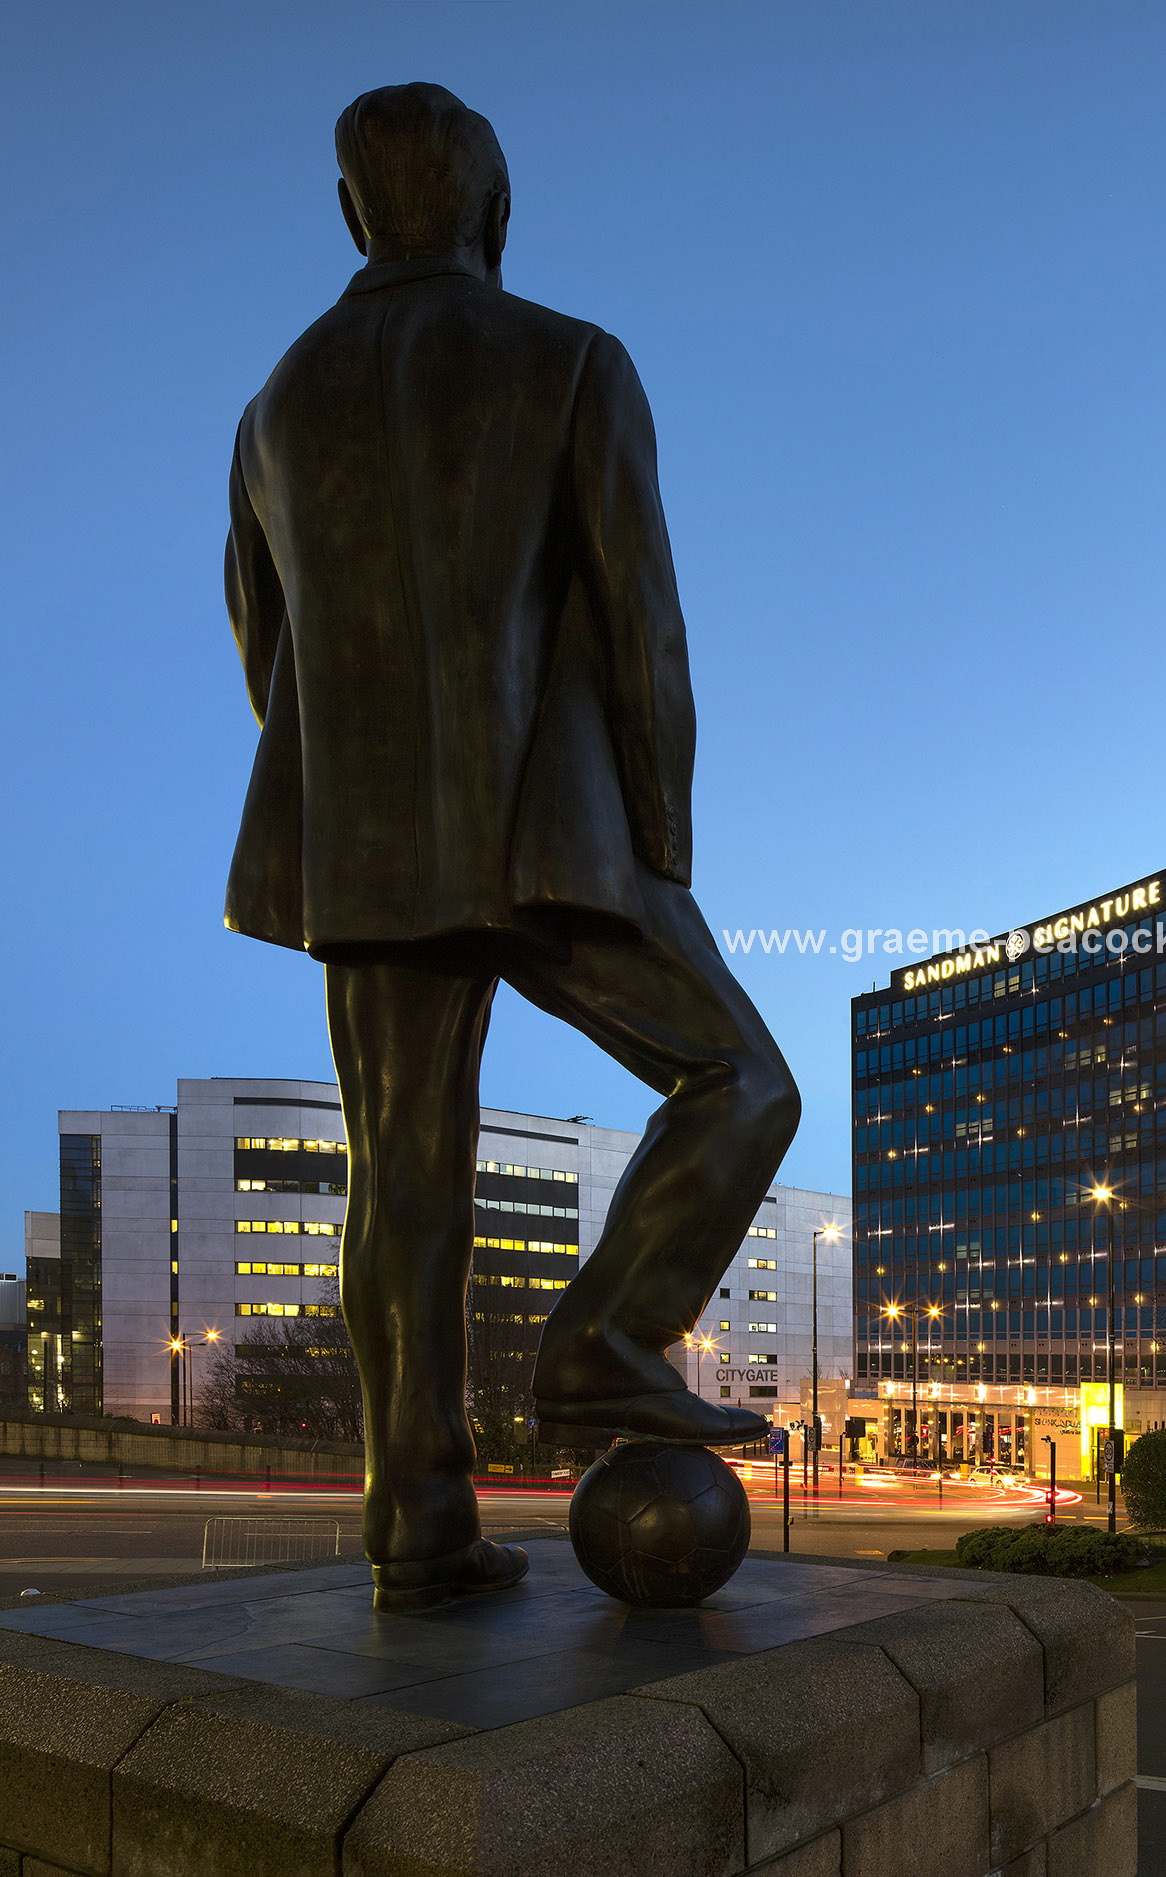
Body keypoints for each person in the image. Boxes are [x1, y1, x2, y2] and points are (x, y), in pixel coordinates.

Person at [223, 83, 799, 1611]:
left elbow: (260, 650)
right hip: (548, 832)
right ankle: (605, 1343)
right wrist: (660, 845)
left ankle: (418, 1521)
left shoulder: (277, 406)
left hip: (362, 844)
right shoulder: (570, 359)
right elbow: (642, 630)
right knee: (743, 1078)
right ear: (493, 210)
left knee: (397, 1183)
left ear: (356, 215)